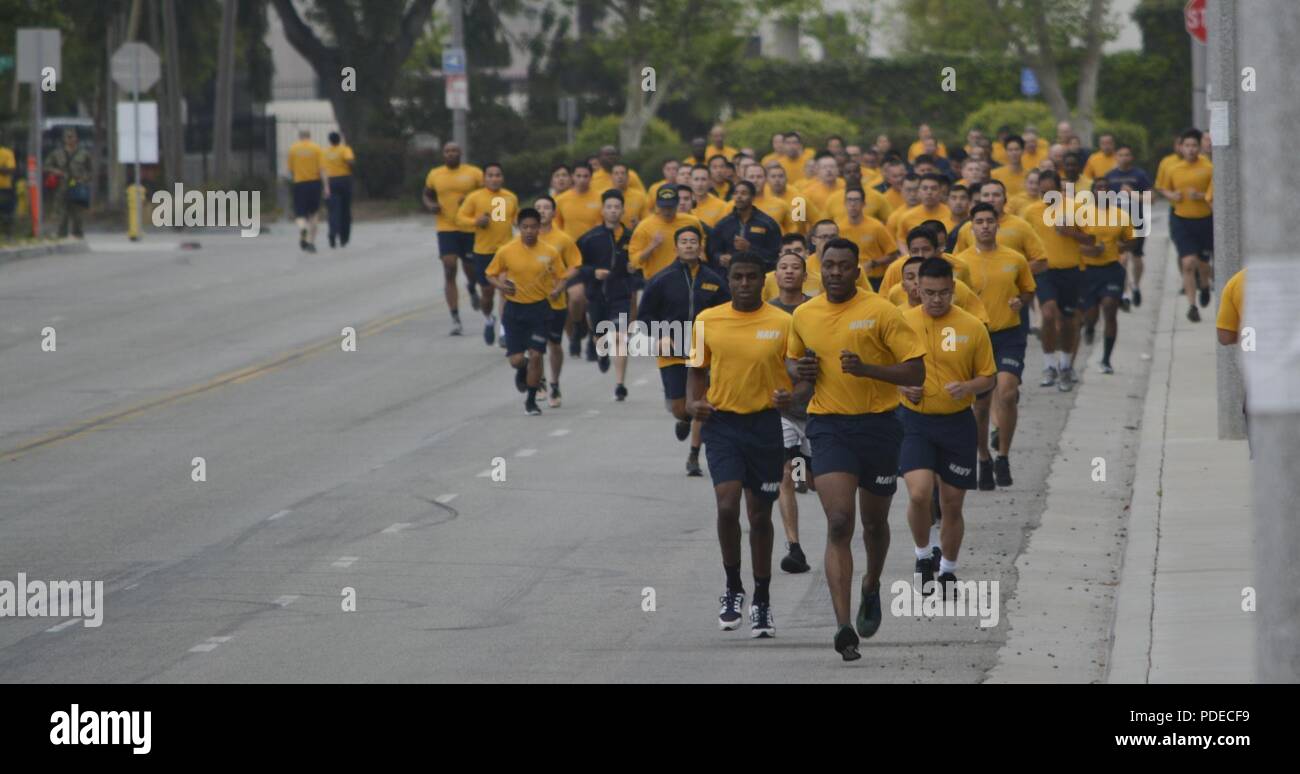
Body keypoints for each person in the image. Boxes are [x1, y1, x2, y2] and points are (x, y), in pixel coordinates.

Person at [788, 238, 927, 660]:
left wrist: (867, 369)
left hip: (880, 425)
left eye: (843, 266)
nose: (835, 272)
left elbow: (916, 371)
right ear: (820, 267)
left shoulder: (881, 311)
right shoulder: (804, 314)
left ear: (857, 269)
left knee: (874, 523)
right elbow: (794, 365)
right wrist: (800, 374)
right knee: (838, 522)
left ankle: (871, 585)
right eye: (828, 265)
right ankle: (843, 626)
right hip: (828, 425)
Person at [687, 252, 794, 635]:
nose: (745, 283)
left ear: (764, 280)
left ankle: (762, 599)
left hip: (765, 425)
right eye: (738, 277)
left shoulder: (783, 322)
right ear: (728, 280)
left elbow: (798, 370)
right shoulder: (707, 320)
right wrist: (692, 403)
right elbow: (696, 369)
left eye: (751, 277)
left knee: (760, 516)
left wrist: (792, 395)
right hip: (723, 424)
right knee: (727, 504)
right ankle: (733, 588)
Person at [898, 257, 996, 596]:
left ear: (953, 289)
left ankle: (949, 570)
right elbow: (885, 368)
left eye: (943, 293)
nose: (936, 300)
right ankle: (923, 554)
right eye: (929, 293)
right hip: (914, 421)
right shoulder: (902, 322)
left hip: (957, 423)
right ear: (916, 289)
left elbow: (989, 377)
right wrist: (902, 387)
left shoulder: (972, 326)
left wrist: (968, 387)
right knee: (919, 492)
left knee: (953, 503)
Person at [955, 203, 1037, 490]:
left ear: (997, 225)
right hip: (978, 338)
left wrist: (1020, 301)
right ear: (971, 227)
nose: (985, 226)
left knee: (1007, 392)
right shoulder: (960, 263)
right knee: (980, 407)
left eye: (990, 221)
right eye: (979, 221)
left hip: (1009, 335)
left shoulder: (1015, 258)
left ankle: (1003, 455)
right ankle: (983, 457)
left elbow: (1028, 290)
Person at [638, 226, 730, 476]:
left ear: (701, 246)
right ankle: (684, 419)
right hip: (672, 352)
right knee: (681, 408)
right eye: (684, 241)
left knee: (700, 403)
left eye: (693, 241)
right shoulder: (661, 279)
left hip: (703, 351)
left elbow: (728, 312)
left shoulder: (714, 280)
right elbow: (644, 316)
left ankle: (693, 455)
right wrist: (660, 335)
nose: (689, 245)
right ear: (676, 247)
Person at [485, 209, 567, 416]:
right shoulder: (506, 251)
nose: (529, 231)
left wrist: (557, 290)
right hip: (514, 311)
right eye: (525, 227)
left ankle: (531, 401)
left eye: (533, 227)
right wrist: (501, 286)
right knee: (516, 360)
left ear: (539, 228)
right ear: (519, 228)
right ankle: (524, 368)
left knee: (537, 354)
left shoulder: (550, 252)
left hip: (540, 310)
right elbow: (490, 274)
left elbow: (562, 276)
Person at [767, 250, 814, 574]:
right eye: (783, 267)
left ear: (805, 275)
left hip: (818, 407)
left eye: (795, 267)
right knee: (785, 473)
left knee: (817, 481)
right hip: (781, 409)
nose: (788, 272)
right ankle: (794, 546)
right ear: (775, 274)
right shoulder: (767, 313)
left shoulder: (815, 311)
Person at [1022, 170, 1084, 390]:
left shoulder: (1076, 208)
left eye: (1052, 192)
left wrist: (1072, 233)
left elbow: (1092, 238)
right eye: (1043, 192)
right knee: (1048, 314)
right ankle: (1049, 365)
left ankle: (1065, 365)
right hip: (1044, 272)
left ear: (1060, 189)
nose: (1048, 197)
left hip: (1071, 271)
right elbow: (1023, 241)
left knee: (1068, 321)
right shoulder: (1031, 211)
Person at [1074, 178, 1136, 375]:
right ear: (1092, 192)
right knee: (1090, 314)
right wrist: (1090, 250)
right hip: (1087, 270)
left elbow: (1132, 239)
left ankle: (1106, 359)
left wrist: (1123, 246)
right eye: (1098, 188)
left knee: (1110, 308)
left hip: (1111, 269)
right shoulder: (1081, 214)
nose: (1102, 191)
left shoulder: (1121, 215)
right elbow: (1072, 242)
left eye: (1106, 188)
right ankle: (1090, 327)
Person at [455, 163, 519, 345]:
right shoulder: (475, 197)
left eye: (498, 175)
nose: (494, 179)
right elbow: (459, 218)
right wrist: (476, 221)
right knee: (487, 294)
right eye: (490, 175)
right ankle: (489, 319)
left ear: (502, 178)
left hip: (505, 252)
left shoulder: (510, 197)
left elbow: (516, 219)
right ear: (484, 179)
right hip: (483, 252)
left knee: (505, 291)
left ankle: (504, 331)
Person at [423, 143, 483, 333]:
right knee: (449, 268)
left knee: (471, 268)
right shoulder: (435, 174)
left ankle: (472, 287)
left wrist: (471, 199)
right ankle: (455, 318)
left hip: (469, 227)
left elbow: (487, 194)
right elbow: (427, 195)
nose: (451, 154)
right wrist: (431, 205)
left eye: (454, 151)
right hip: (446, 227)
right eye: (447, 151)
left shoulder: (473, 173)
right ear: (443, 154)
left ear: (460, 153)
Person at [579, 191, 633, 397]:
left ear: (623, 210)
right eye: (609, 207)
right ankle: (601, 353)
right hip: (596, 294)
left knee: (620, 336)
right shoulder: (589, 238)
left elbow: (639, 263)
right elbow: (576, 265)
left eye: (617, 207)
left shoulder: (631, 237)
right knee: (599, 336)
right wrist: (593, 272)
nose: (613, 211)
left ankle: (620, 385)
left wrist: (633, 269)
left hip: (621, 294)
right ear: (602, 210)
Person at [1160, 128, 1215, 322]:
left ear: (1199, 148)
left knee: (1203, 264)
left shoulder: (1209, 168)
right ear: (1181, 148)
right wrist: (1171, 195)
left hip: (1204, 219)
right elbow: (1163, 188)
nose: (1191, 149)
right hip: (1181, 219)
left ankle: (1205, 285)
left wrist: (1199, 196)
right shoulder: (1173, 168)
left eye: (1194, 146)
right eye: (1187, 146)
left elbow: (1214, 194)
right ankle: (1192, 306)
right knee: (1188, 263)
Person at [536, 195, 584, 406]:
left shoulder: (563, 239)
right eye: (538, 207)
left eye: (546, 207)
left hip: (555, 300)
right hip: (531, 300)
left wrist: (561, 283)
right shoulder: (525, 239)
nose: (542, 211)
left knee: (554, 344)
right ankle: (539, 382)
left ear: (554, 213)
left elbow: (575, 265)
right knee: (535, 346)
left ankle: (554, 383)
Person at [1103, 144, 1154, 308]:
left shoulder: (1139, 175)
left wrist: (1132, 194)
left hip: (1137, 219)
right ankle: (1124, 293)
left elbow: (1151, 199)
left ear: (1131, 157)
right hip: (1117, 222)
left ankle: (1136, 286)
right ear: (1116, 157)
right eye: (1121, 155)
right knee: (1122, 258)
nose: (1124, 158)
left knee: (1137, 257)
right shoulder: (1110, 176)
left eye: (1127, 155)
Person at [630, 186, 707, 281]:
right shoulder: (644, 227)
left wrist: (700, 252)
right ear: (657, 205)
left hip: (686, 279)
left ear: (677, 204)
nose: (667, 211)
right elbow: (634, 261)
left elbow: (701, 240)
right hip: (656, 280)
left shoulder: (692, 222)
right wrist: (651, 246)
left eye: (670, 207)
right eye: (663, 207)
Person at [709, 180, 782, 272]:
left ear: (752, 197)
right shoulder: (723, 224)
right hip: (730, 275)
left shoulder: (768, 224)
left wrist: (750, 248)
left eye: (743, 193)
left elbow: (775, 256)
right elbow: (712, 251)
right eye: (736, 193)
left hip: (759, 274)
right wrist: (720, 257)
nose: (739, 196)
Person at [836, 186, 898, 291]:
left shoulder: (876, 227)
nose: (853, 204)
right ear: (845, 204)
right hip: (849, 279)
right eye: (849, 200)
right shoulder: (839, 228)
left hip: (874, 278)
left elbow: (892, 254)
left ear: (863, 204)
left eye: (856, 200)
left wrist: (874, 263)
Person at [284, 130, 330, 252]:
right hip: (314, 184)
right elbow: (322, 169)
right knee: (314, 214)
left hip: (299, 184)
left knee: (300, 213)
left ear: (300, 137)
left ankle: (302, 228)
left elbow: (290, 169)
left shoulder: (293, 149)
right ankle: (311, 242)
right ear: (309, 136)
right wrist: (326, 186)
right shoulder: (317, 149)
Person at [555, 163, 605, 240]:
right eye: (578, 176)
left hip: (594, 243)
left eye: (585, 176)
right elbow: (557, 227)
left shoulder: (601, 198)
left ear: (591, 177)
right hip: (570, 245)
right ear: (572, 177)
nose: (582, 180)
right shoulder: (560, 199)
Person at [322, 132, 355, 248]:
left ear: (329, 140)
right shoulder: (345, 149)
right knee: (345, 210)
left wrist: (325, 185)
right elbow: (350, 161)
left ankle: (332, 233)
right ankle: (344, 237)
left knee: (333, 210)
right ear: (339, 140)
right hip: (344, 180)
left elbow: (323, 168)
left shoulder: (325, 152)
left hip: (331, 181)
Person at [0, 129, 16, 240]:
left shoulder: (7, 153)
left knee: (6, 213)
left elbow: (10, 170)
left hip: (4, 188)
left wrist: (3, 169)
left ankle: (7, 235)